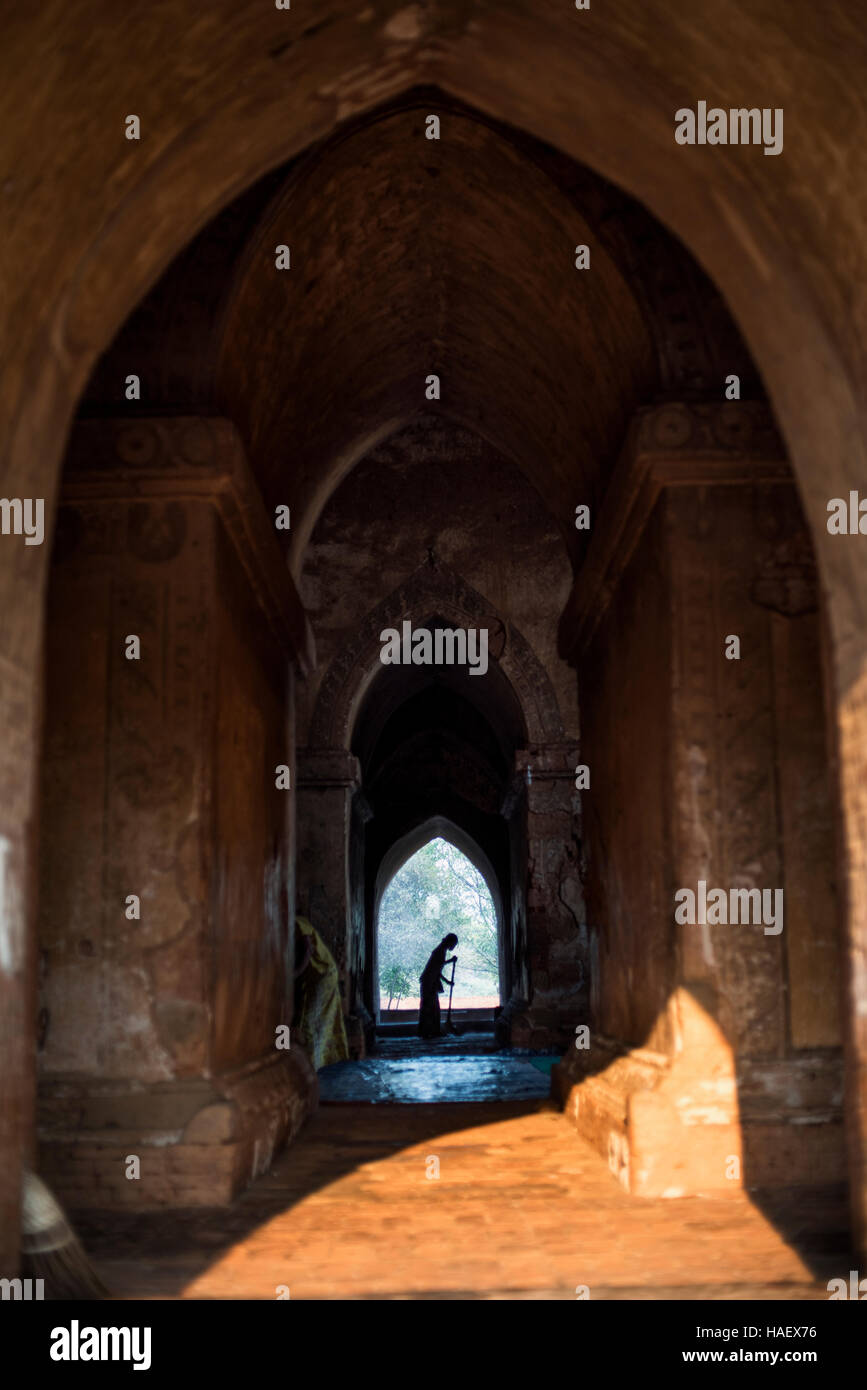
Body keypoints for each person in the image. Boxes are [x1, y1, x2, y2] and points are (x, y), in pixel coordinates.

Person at [294, 916, 350, 1070]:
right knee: (290, 1021)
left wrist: (295, 973)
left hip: (321, 975)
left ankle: (311, 1062)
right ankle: (285, 1054)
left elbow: (307, 949)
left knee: (308, 1020)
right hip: (305, 978)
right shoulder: (280, 927)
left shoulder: (296, 923)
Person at [418, 933, 458, 1038]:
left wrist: (447, 981)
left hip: (430, 982)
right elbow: (437, 967)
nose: (454, 947)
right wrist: (450, 961)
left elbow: (437, 970)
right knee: (429, 1008)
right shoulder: (440, 951)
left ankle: (432, 1031)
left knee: (432, 1008)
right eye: (454, 944)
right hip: (428, 982)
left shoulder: (441, 950)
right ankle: (428, 1032)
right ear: (450, 942)